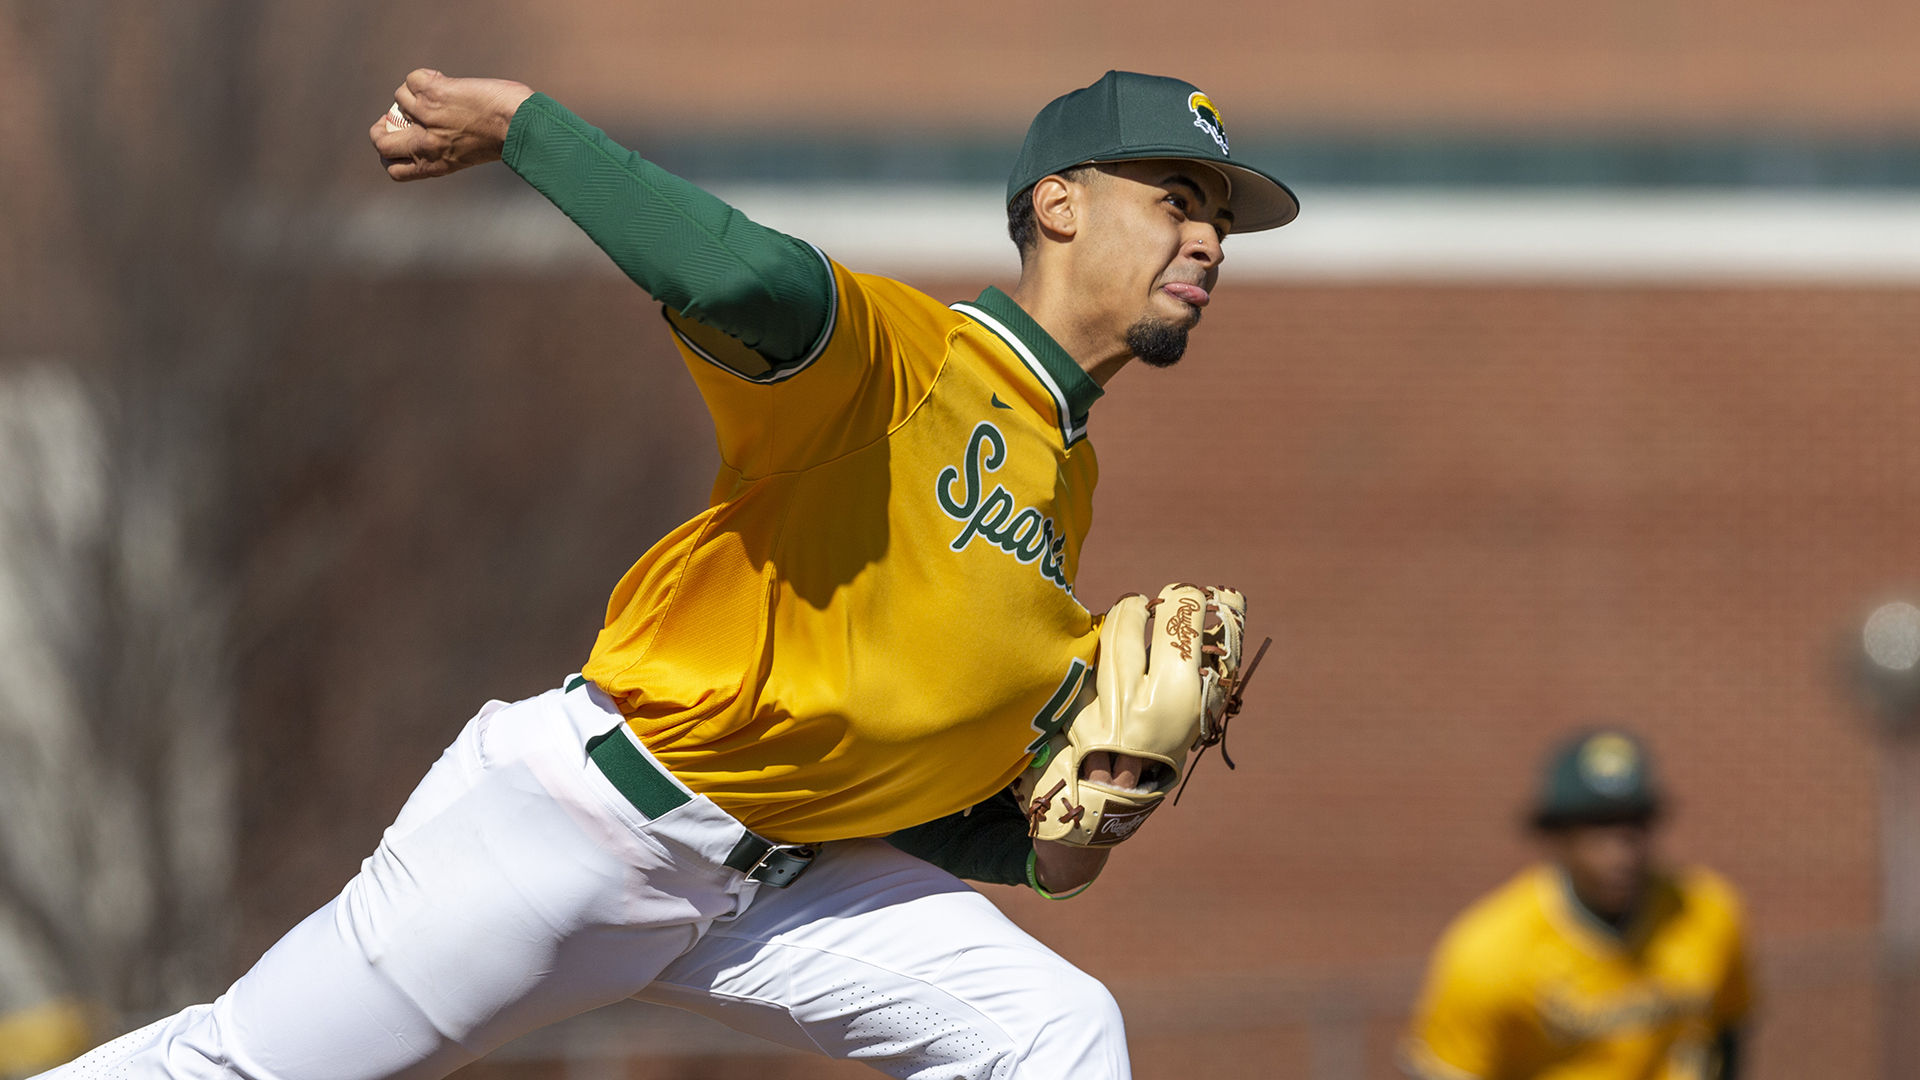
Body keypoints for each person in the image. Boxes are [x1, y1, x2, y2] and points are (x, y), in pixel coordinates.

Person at [39, 70, 1297, 1080]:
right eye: (1176, 198)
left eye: (1220, 221)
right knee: (242, 1066)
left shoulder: (1064, 479)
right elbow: (739, 278)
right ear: (1060, 204)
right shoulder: (910, 359)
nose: (1209, 239)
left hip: (785, 886)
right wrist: (524, 127)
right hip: (588, 827)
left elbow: (885, 770)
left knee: (1055, 1032)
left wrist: (1049, 850)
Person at [1402, 731, 1752, 1080]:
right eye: (1598, 827)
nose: (1621, 852)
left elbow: (1729, 1027)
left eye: (1634, 824)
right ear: (1558, 836)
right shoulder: (1488, 951)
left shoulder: (1706, 912)